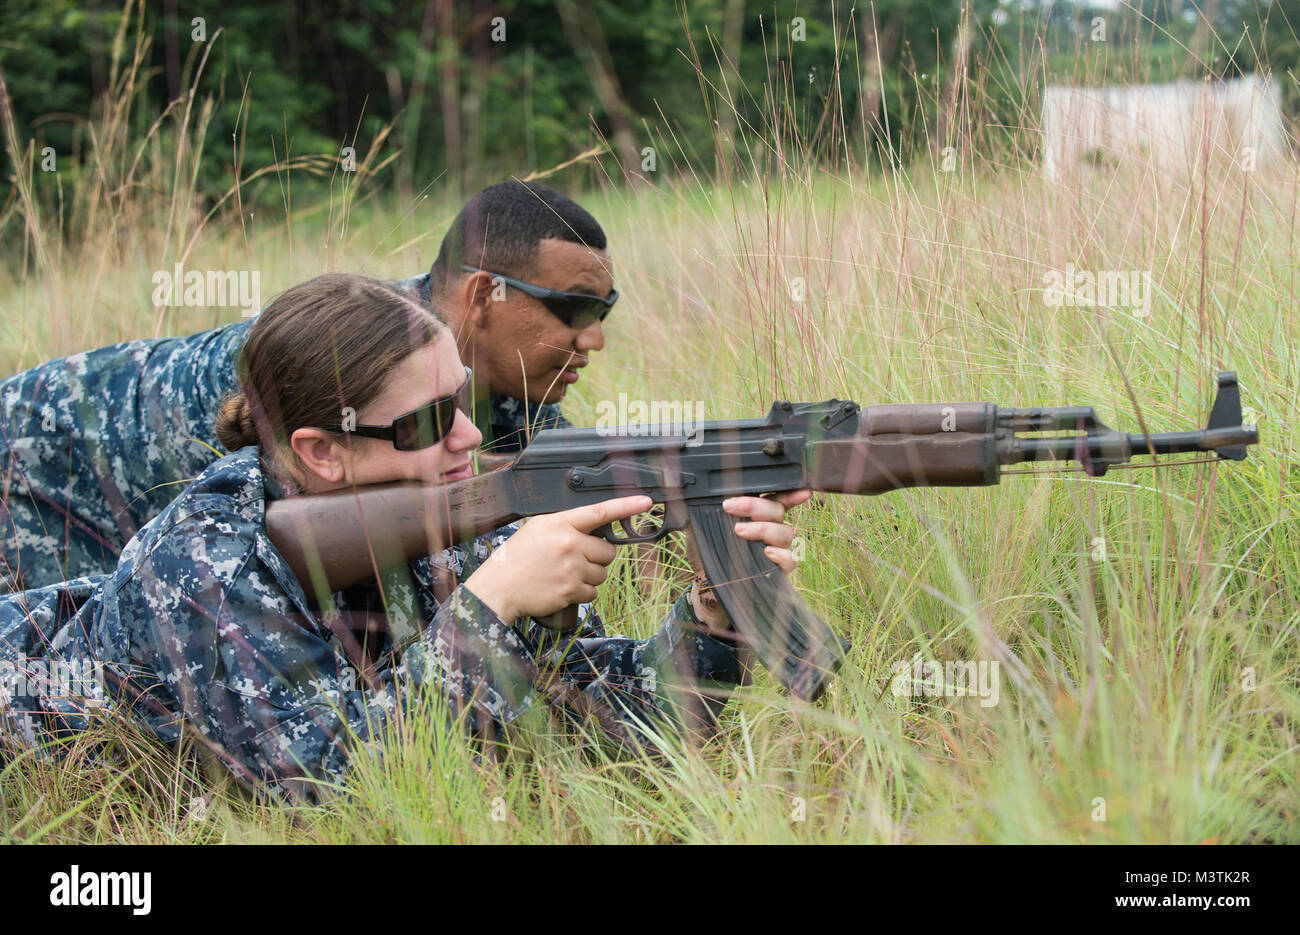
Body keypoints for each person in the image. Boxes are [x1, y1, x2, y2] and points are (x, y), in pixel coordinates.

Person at [0, 274, 806, 803]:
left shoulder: (442, 507)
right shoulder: (201, 564)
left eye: (463, 400)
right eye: (426, 422)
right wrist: (490, 605)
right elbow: (338, 795)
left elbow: (597, 719)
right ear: (323, 450)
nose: (466, 438)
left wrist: (713, 614)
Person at [0, 180, 612, 591]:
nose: (593, 340)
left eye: (603, 311)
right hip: (42, 459)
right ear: (484, 295)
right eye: (575, 311)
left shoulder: (491, 377)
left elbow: (562, 475)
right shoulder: (342, 361)